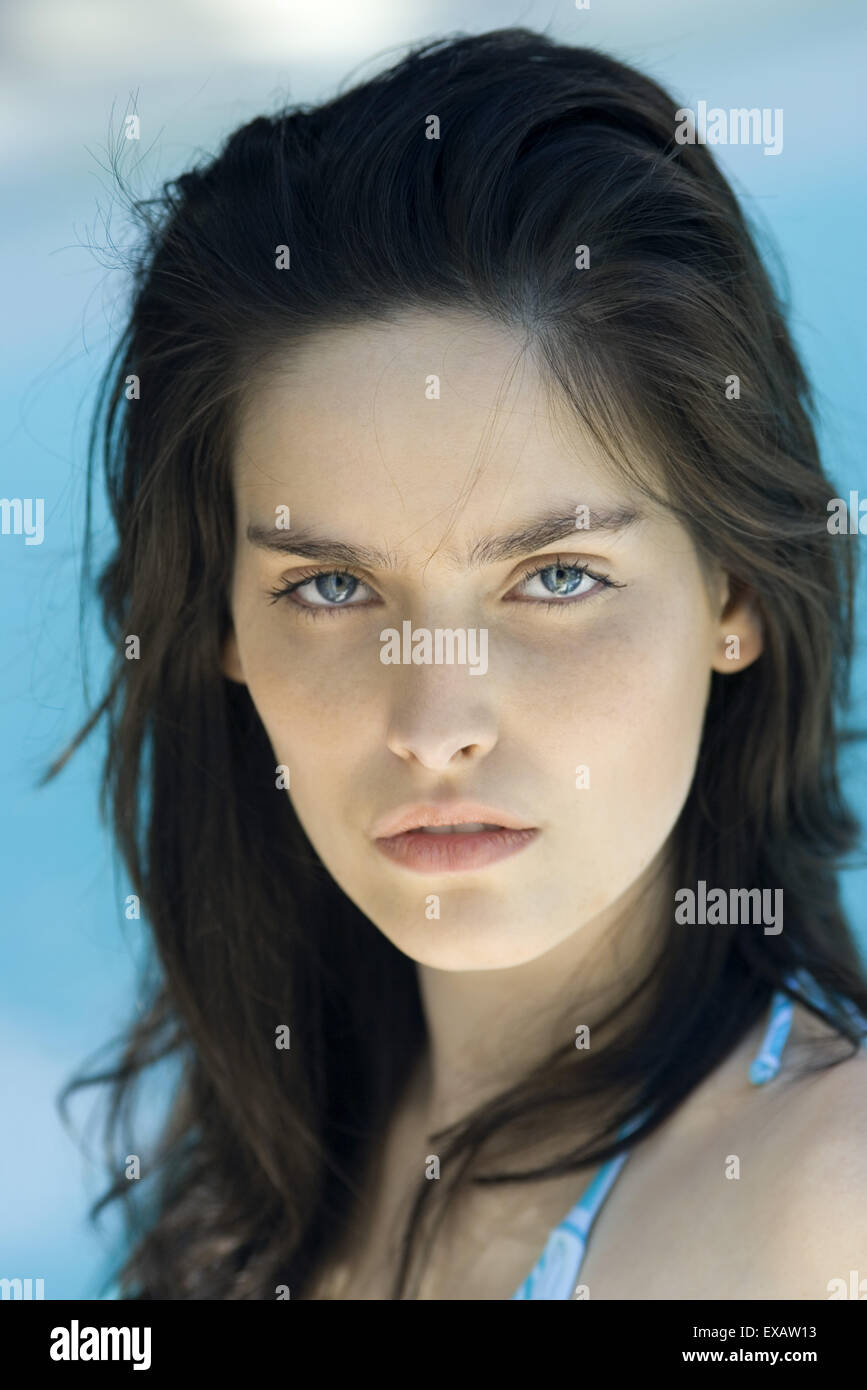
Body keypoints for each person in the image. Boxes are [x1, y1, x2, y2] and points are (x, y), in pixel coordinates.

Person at [49, 28, 867, 1300]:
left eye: (555, 579)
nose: (434, 723)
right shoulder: (270, 1171)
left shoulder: (826, 1209)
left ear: (737, 590)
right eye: (330, 586)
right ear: (221, 630)